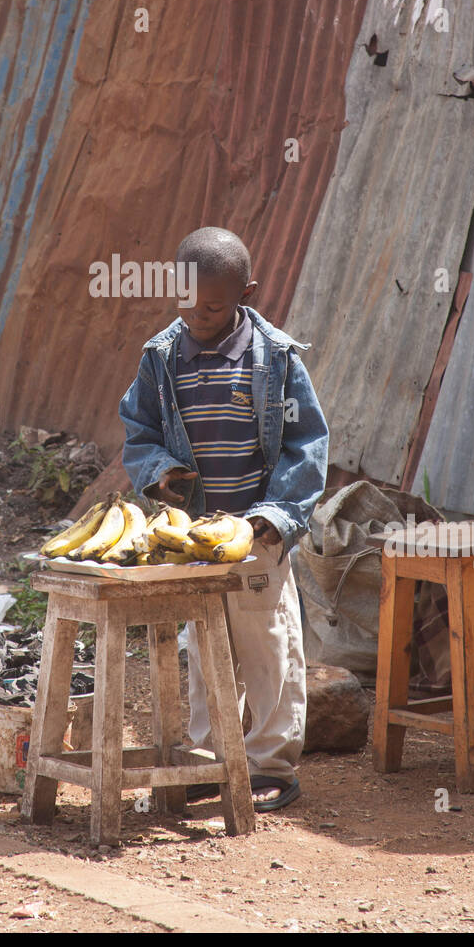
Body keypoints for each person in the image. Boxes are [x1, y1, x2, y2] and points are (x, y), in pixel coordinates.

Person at [118, 226, 328, 810]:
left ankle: (271, 764)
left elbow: (305, 442)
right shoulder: (161, 358)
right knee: (206, 647)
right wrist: (159, 469)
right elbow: (140, 432)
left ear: (245, 292)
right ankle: (214, 758)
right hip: (197, 537)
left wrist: (278, 514)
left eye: (213, 305)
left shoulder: (276, 359)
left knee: (267, 645)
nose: (198, 314)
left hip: (258, 535)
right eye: (187, 300)